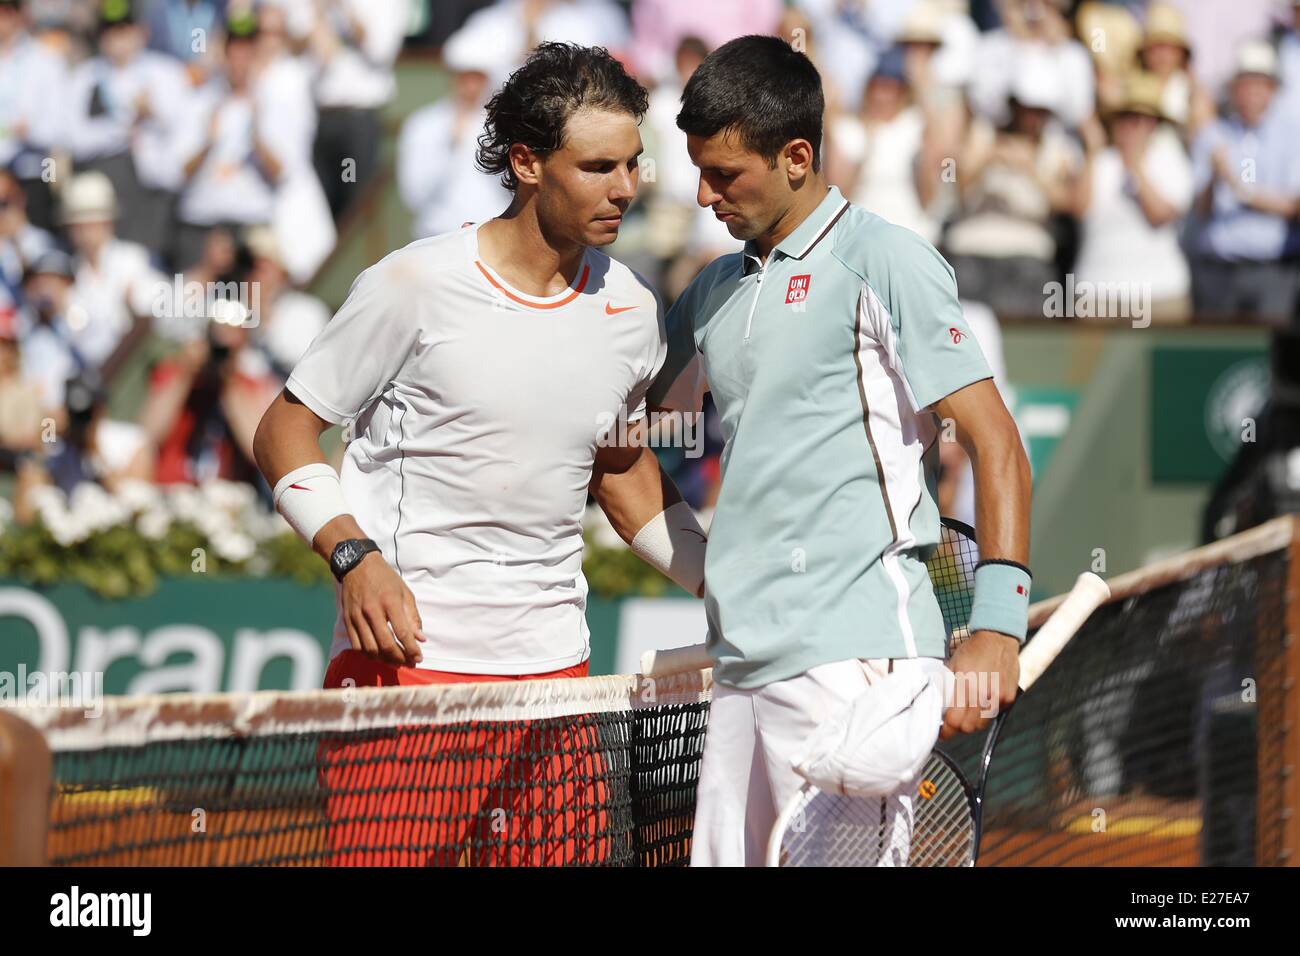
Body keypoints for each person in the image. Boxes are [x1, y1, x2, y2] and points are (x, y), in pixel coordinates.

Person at [252, 42, 706, 865]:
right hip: (404, 679)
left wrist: (727, 578)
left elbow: (621, 471)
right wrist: (352, 555)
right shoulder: (411, 284)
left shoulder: (633, 312)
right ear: (527, 163)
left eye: (634, 164)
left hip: (558, 685)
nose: (627, 188)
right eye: (599, 166)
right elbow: (283, 430)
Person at [650, 35, 1031, 867]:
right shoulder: (711, 292)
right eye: (699, 172)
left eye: (725, 174)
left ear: (796, 156)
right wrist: (705, 566)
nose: (705, 195)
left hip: (856, 657)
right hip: (741, 661)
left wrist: (997, 627)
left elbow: (997, 441)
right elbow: (625, 439)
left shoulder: (885, 260)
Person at [1189, 41, 1300, 324]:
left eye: (1259, 84)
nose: (1251, 93)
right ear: (1233, 89)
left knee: (1272, 359)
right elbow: (1201, 210)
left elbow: (1293, 205)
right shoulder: (1213, 135)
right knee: (1215, 357)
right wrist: (1215, 179)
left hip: (1272, 270)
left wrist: (1240, 189)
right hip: (1219, 270)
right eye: (1245, 84)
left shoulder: (1291, 137)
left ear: (1272, 90)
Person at [1073, 72, 1194, 323]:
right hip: (1097, 290)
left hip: (1160, 292)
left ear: (1154, 124)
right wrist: (1092, 151)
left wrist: (1136, 168)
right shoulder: (1099, 161)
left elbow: (1159, 215)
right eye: (1126, 117)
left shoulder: (1170, 160)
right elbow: (1078, 208)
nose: (1133, 126)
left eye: (1142, 119)